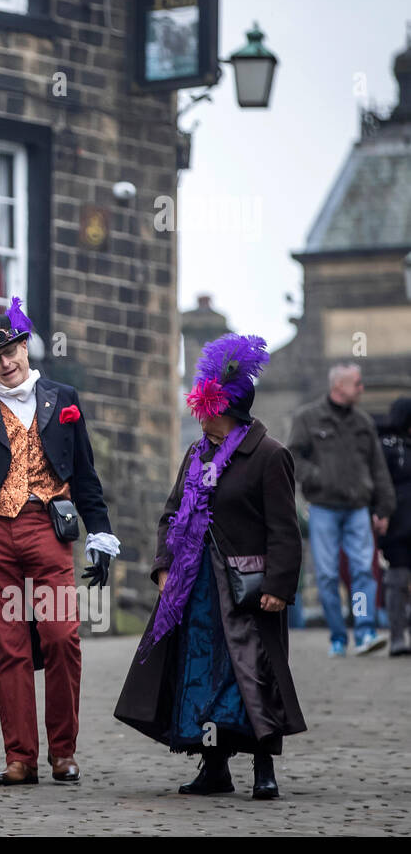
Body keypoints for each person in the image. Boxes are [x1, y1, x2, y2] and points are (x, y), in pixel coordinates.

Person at [115, 334, 306, 799]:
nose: (202, 419)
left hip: (247, 587)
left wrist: (279, 586)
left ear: (232, 411)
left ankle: (265, 771)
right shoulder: (196, 452)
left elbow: (285, 529)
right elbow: (170, 513)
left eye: (210, 412)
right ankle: (214, 768)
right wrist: (163, 567)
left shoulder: (270, 455)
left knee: (252, 676)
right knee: (200, 673)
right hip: (194, 586)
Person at [0, 299, 118, 786]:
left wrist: (99, 531)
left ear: (24, 347)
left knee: (62, 636)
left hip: (46, 528)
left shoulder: (63, 399)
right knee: (9, 648)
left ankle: (64, 751)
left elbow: (85, 475)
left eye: (12, 351)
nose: (7, 364)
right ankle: (20, 758)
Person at [288, 363, 396, 656]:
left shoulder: (363, 422)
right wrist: (318, 477)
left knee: (363, 571)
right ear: (339, 387)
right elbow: (292, 458)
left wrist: (384, 507)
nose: (362, 388)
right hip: (323, 509)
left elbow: (378, 467)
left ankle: (364, 631)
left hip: (358, 508)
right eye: (357, 384)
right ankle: (338, 636)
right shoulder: (308, 418)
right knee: (327, 575)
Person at [378, 396, 411, 656]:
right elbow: (380, 482)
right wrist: (380, 513)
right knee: (397, 579)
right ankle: (398, 637)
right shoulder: (385, 445)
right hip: (397, 522)